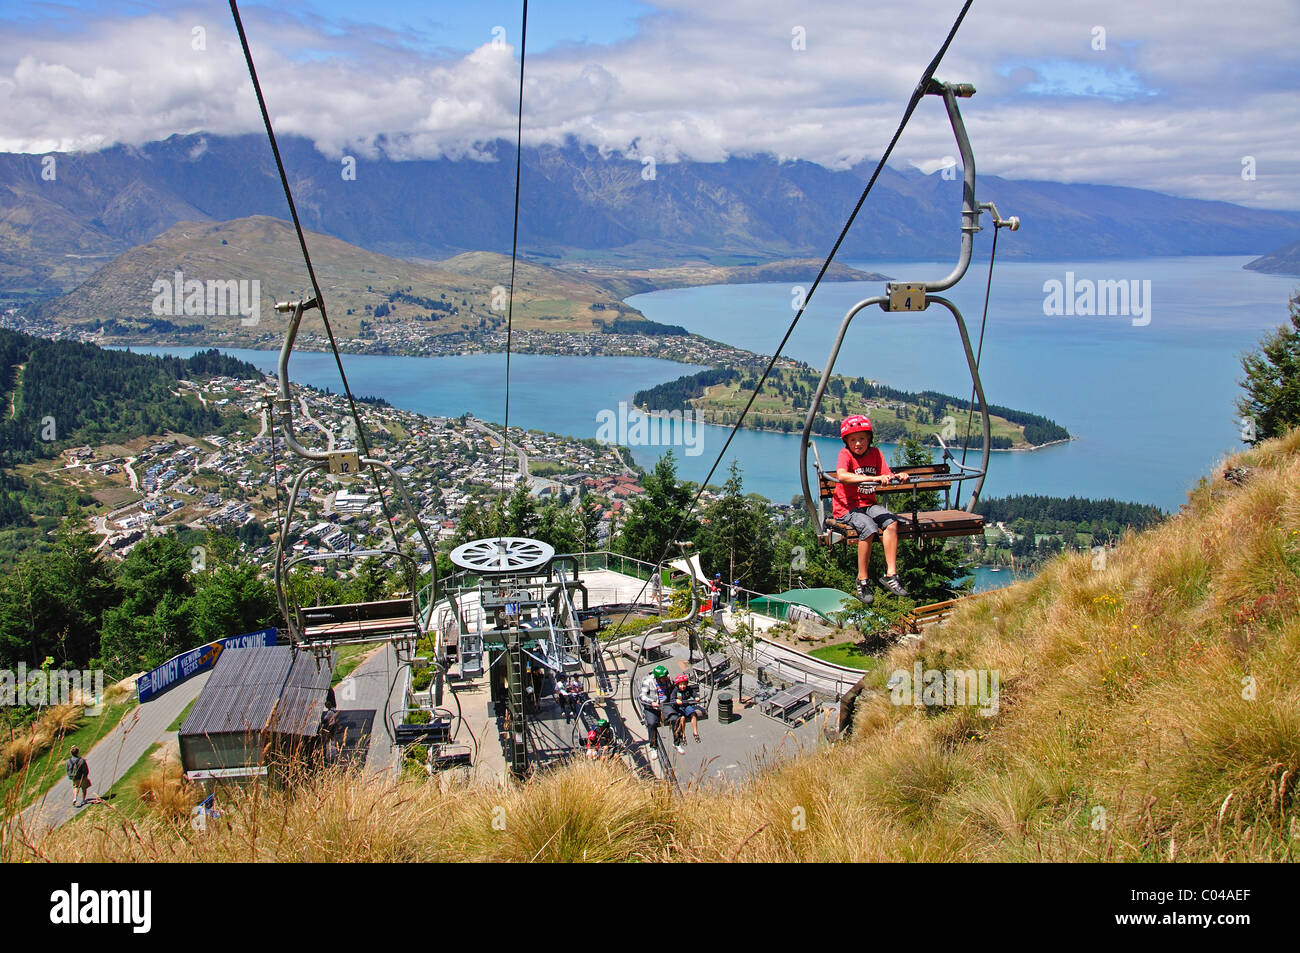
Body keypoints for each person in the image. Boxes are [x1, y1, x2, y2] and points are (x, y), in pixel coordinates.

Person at [833, 415, 910, 605]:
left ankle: (891, 574)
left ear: (869, 439)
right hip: (847, 508)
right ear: (846, 442)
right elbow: (842, 475)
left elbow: (886, 473)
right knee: (868, 527)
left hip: (868, 504)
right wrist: (872, 478)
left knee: (891, 522)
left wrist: (897, 476)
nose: (858, 443)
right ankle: (862, 579)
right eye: (853, 440)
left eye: (862, 439)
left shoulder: (875, 453)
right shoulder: (846, 455)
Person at [639, 665, 677, 759]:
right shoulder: (648, 681)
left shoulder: (668, 680)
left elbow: (674, 688)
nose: (665, 679)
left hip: (664, 705)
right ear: (658, 678)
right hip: (652, 706)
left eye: (665, 677)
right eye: (663, 678)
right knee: (652, 723)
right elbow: (642, 696)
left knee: (675, 718)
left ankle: (677, 741)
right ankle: (653, 747)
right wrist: (652, 702)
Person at [668, 674, 703, 751]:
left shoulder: (688, 689)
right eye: (681, 685)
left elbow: (694, 693)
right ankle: (683, 734)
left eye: (684, 684)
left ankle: (695, 732)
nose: (683, 686)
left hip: (686, 705)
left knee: (693, 714)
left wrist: (696, 697)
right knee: (682, 718)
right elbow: (672, 699)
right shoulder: (675, 690)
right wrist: (676, 701)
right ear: (678, 685)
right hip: (679, 707)